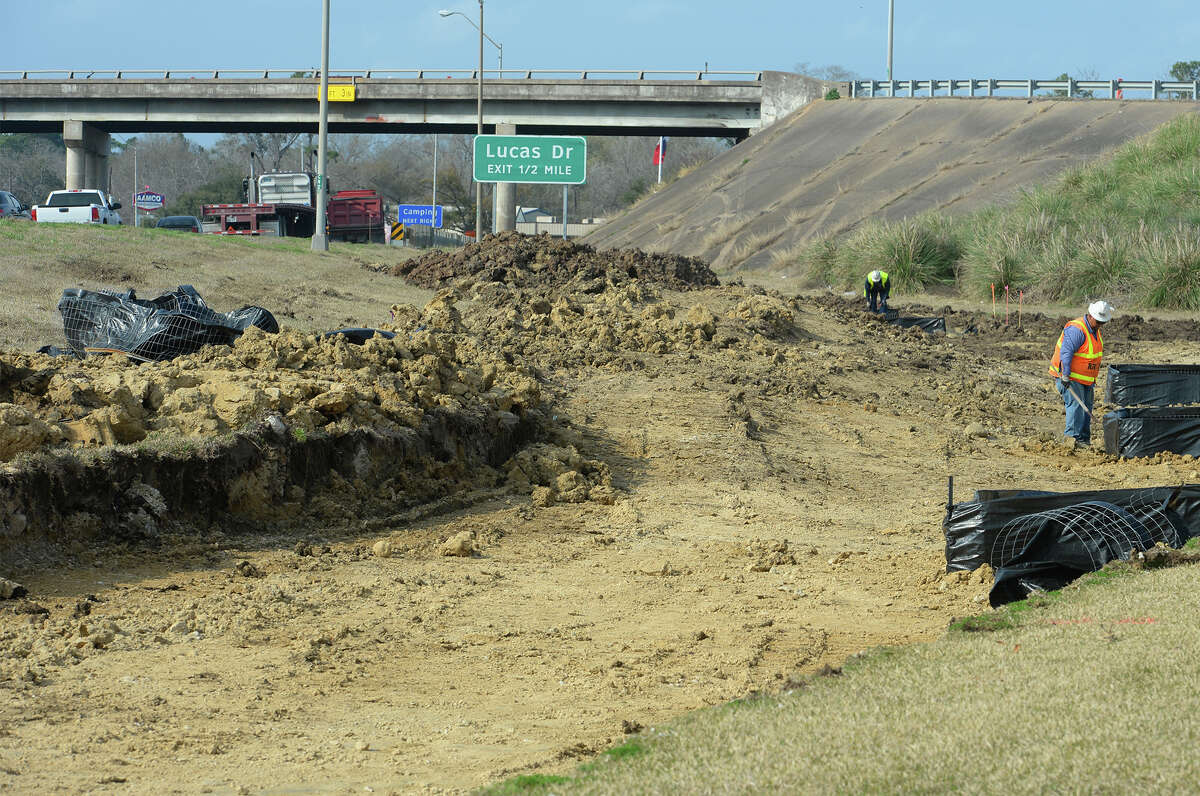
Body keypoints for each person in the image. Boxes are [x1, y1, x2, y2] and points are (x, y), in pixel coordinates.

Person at [1049, 300, 1113, 448]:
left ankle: (1083, 440)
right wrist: (1065, 375)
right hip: (1070, 377)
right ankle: (1071, 440)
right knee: (1076, 407)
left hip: (1086, 379)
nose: (1100, 325)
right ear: (1090, 316)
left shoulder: (1095, 330)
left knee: (1086, 407)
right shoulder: (1077, 330)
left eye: (1102, 322)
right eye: (1098, 321)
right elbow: (1066, 352)